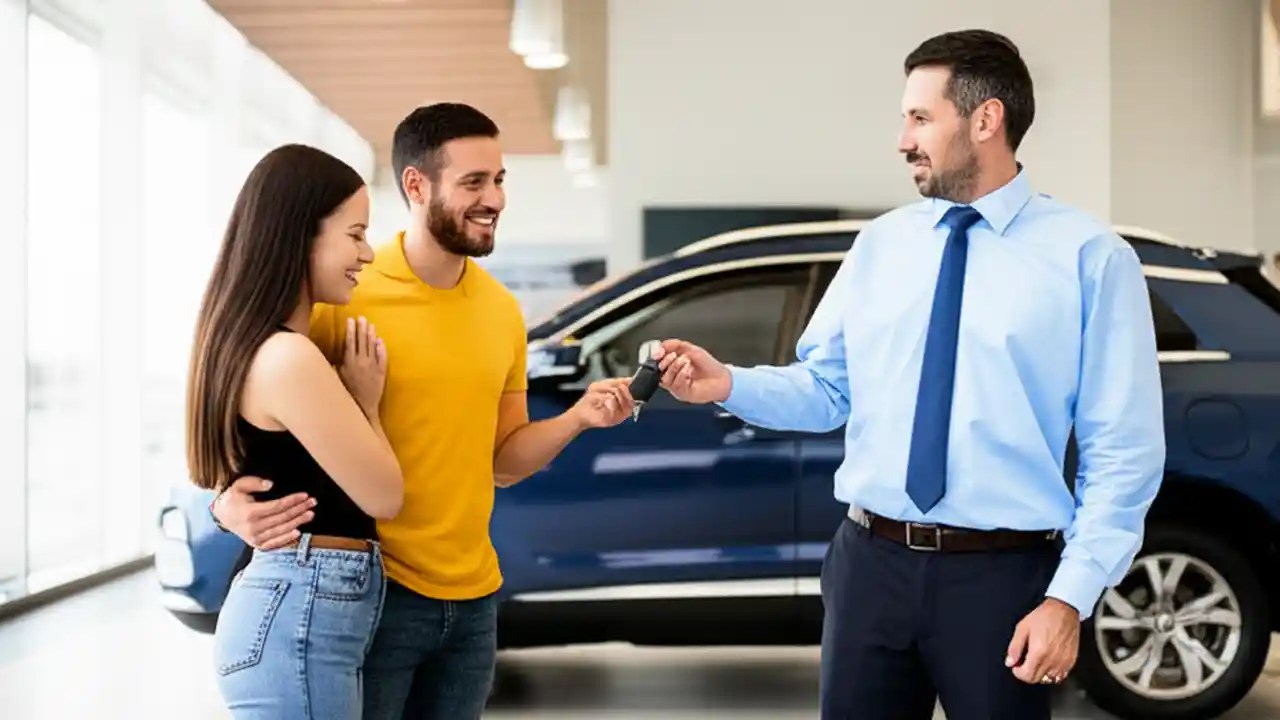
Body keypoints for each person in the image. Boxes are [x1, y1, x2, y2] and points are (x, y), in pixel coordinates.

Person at [653, 29, 1165, 720]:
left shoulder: (1091, 259)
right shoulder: (881, 246)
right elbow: (829, 389)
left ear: (986, 120)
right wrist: (729, 385)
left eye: (921, 117)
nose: (902, 139)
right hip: (870, 565)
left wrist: (1068, 599)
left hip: (1003, 580)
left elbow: (1123, 454)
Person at [209, 103, 636, 719]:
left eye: (499, 180)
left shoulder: (500, 311)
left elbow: (503, 460)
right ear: (417, 185)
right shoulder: (344, 290)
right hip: (378, 594)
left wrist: (576, 420)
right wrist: (222, 504)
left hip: (474, 603)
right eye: (474, 182)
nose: (495, 199)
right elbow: (244, 408)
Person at [187, 143, 402, 718]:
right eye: (355, 234)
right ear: (302, 234)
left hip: (293, 611)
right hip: (299, 615)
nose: (368, 252)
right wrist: (367, 403)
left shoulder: (248, 345)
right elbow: (385, 494)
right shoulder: (288, 357)